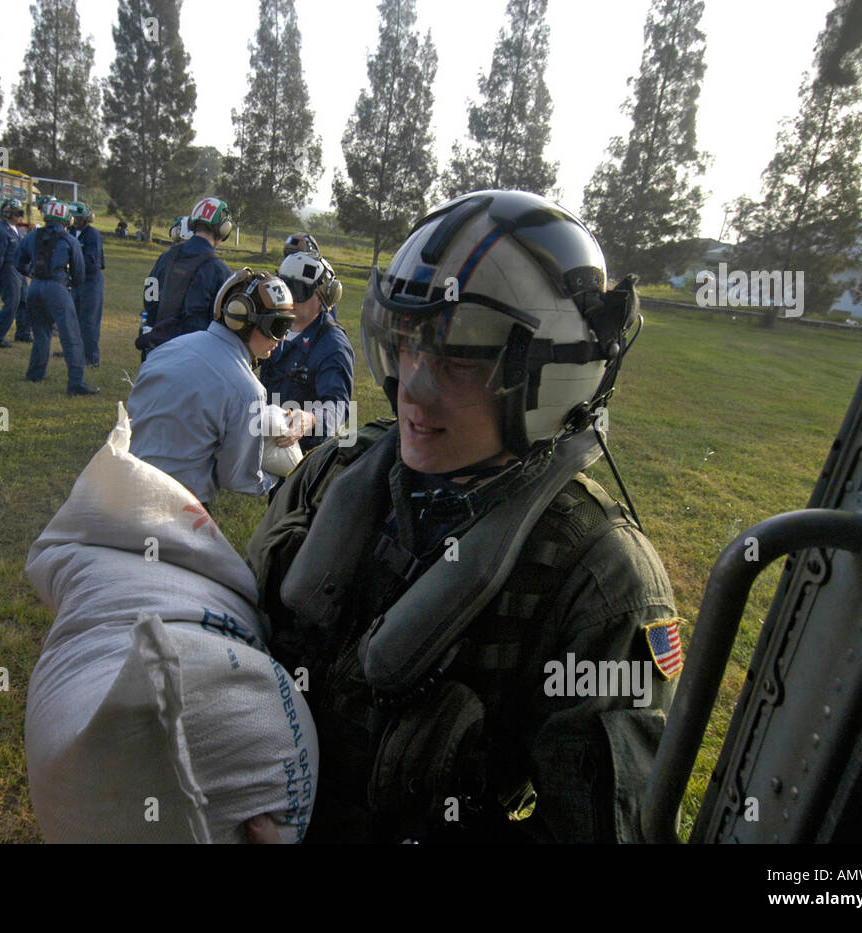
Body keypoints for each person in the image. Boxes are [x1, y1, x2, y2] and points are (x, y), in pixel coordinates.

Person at [244, 189, 682, 844]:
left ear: (553, 377)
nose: (414, 389)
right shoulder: (332, 475)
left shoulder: (601, 581)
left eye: (459, 361)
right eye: (409, 347)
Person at [127, 267, 295, 507]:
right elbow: (237, 478)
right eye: (278, 328)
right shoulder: (247, 391)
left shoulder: (168, 348)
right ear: (241, 319)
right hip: (179, 506)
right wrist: (277, 475)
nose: (281, 340)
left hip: (127, 481)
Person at [258, 251, 354, 455]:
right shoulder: (273, 326)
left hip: (305, 454)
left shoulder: (332, 344)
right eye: (285, 287)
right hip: (269, 441)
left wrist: (310, 419)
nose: (289, 297)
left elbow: (338, 405)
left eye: (299, 290)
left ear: (322, 298)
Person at [136, 196, 234, 359]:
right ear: (224, 229)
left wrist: (155, 321)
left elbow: (149, 291)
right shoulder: (220, 271)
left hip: (158, 346)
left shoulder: (166, 257)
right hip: (195, 355)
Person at [15, 200, 95, 395]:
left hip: (35, 287)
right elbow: (79, 273)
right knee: (71, 336)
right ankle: (76, 382)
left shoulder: (32, 235)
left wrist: (32, 274)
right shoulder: (69, 240)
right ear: (66, 218)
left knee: (41, 333)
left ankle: (35, 373)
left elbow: (18, 261)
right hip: (57, 288)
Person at [0, 198, 32, 347]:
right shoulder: (1, 232)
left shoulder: (20, 231)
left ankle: (23, 333)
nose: (20, 216)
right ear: (8, 213)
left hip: (19, 271)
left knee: (25, 302)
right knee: (12, 304)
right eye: (17, 213)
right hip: (8, 271)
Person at [69, 202, 105, 368]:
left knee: (88, 321)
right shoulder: (69, 232)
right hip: (74, 280)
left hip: (90, 281)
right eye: (74, 217)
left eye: (79, 218)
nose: (76, 221)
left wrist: (72, 263)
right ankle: (73, 352)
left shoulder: (92, 235)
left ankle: (91, 358)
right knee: (73, 318)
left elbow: (92, 261)